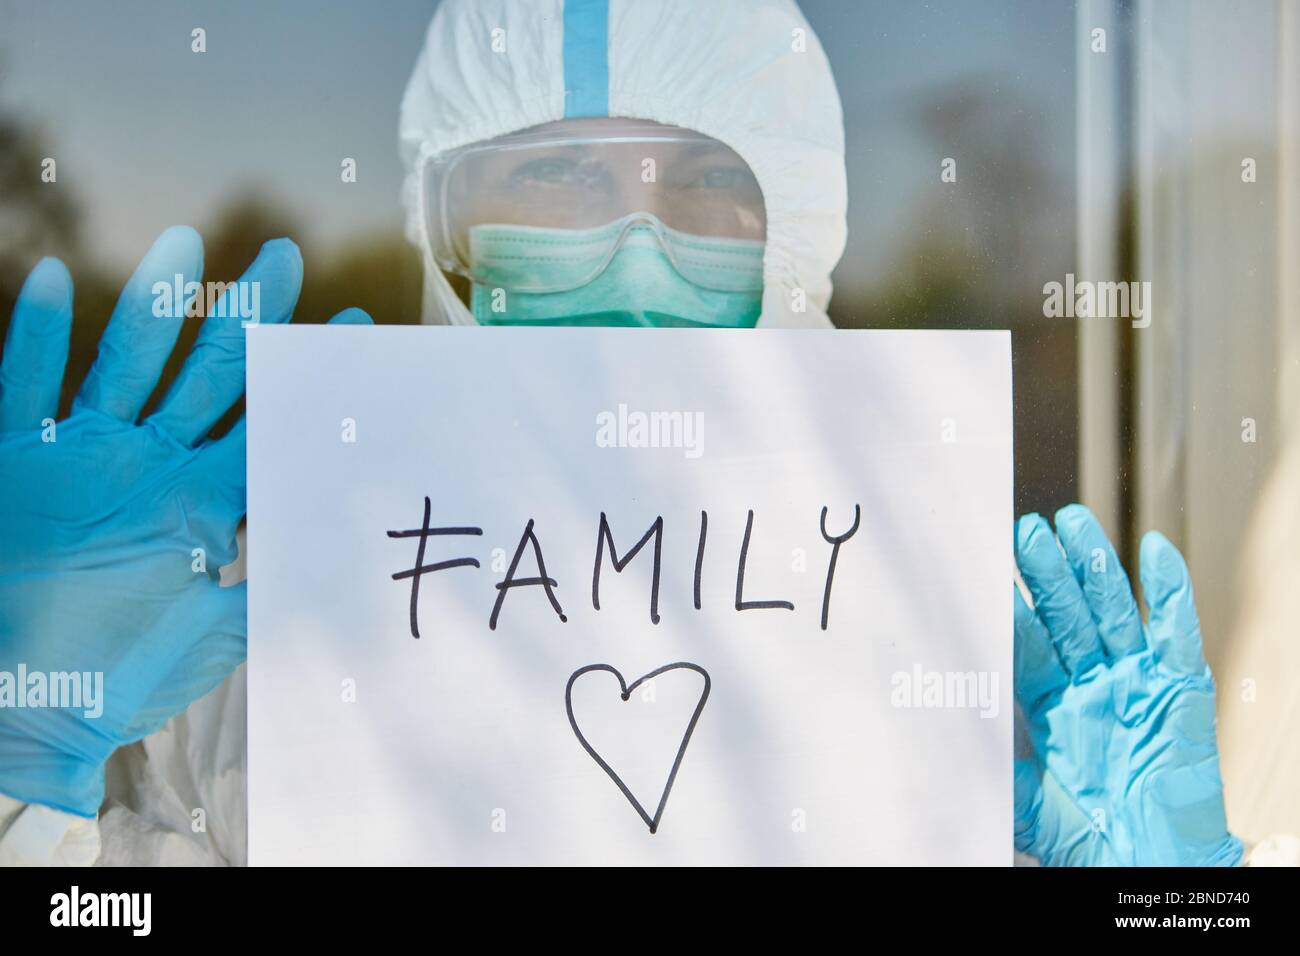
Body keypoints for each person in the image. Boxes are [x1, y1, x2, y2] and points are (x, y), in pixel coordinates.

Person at [0, 0, 1283, 866]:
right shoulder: (238, 638)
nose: (631, 239)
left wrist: (1165, 900)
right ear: (444, 229)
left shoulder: (944, 646)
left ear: (800, 226)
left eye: (708, 180)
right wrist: (21, 753)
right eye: (557, 179)